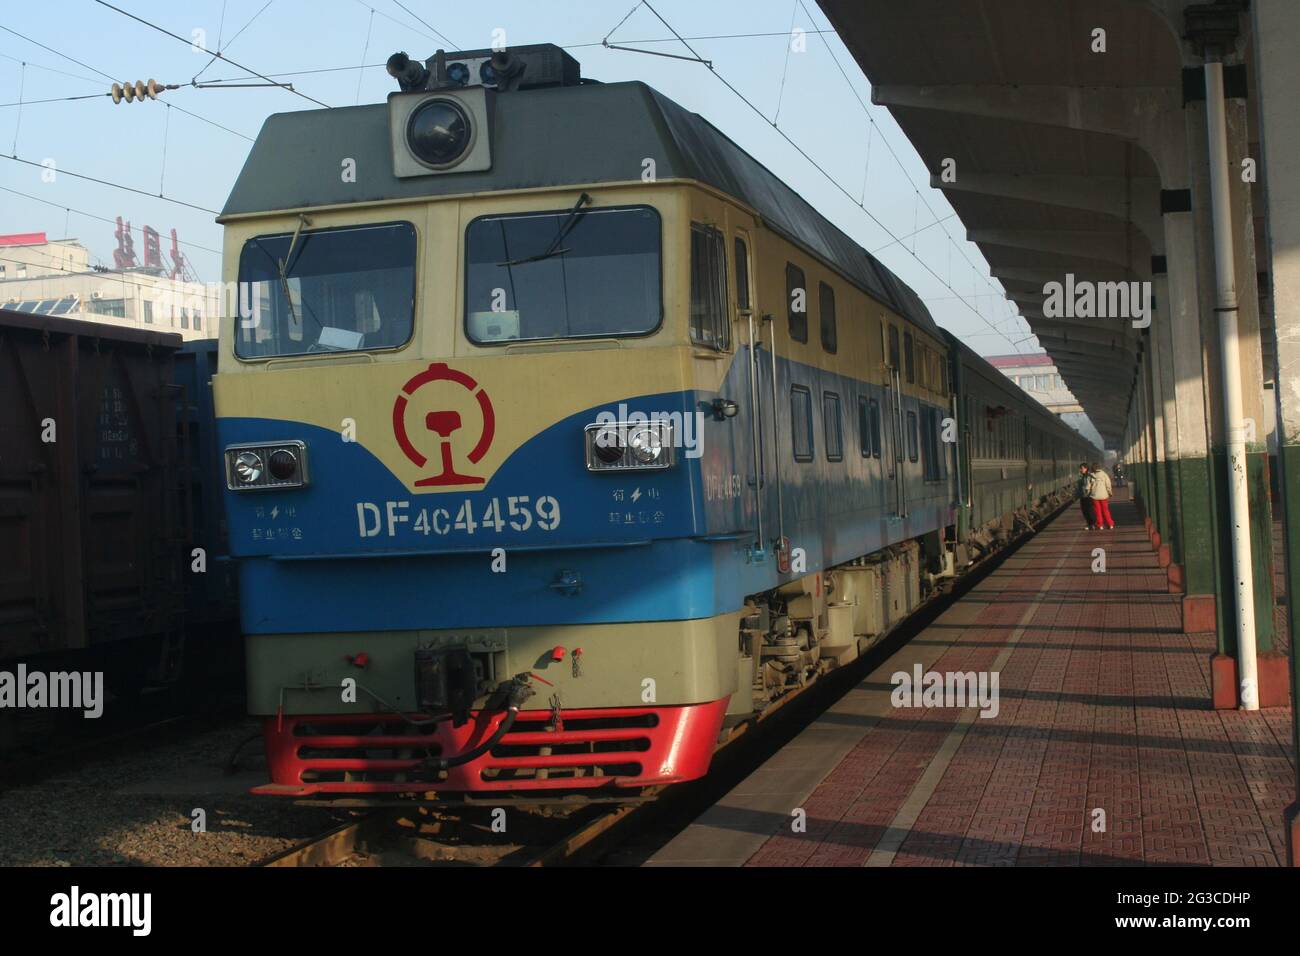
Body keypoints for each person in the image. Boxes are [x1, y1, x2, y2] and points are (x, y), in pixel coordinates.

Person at [1088, 461, 1115, 530]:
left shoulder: (1090, 475)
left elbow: (1088, 487)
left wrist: (1088, 493)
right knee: (1106, 510)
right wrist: (1110, 492)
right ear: (1099, 467)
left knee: (1098, 511)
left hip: (1094, 496)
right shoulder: (1104, 474)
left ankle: (1100, 525)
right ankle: (1110, 524)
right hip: (1104, 496)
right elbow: (1108, 484)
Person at [1076, 462, 1093, 529]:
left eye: (1082, 468)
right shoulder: (1082, 476)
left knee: (1089, 511)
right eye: (1080, 468)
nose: (1080, 470)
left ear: (1086, 468)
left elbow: (1089, 486)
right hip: (1083, 496)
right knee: (1085, 511)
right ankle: (1089, 524)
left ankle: (1091, 524)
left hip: (1088, 496)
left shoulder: (1089, 476)